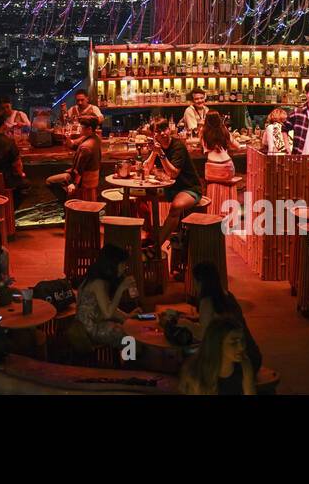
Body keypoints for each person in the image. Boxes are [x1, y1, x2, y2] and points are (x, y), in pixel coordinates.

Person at [191, 262, 262, 375]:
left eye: (194, 281)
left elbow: (204, 336)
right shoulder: (226, 295)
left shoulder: (207, 301)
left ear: (200, 282)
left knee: (191, 366)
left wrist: (186, 324)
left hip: (238, 362)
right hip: (252, 356)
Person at [147, 124, 204, 254]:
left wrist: (161, 154)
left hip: (189, 188)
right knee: (139, 197)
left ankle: (156, 247)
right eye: (158, 131)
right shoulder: (157, 147)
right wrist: (154, 152)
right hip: (169, 189)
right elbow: (147, 169)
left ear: (169, 130)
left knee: (176, 207)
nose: (163, 133)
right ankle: (151, 234)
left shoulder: (178, 147)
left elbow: (173, 174)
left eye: (165, 129)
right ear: (154, 135)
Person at [75, 244, 138, 350]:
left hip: (95, 321)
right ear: (112, 265)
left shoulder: (99, 278)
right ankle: (129, 363)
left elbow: (108, 306)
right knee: (131, 338)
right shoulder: (98, 283)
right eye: (122, 264)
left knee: (130, 329)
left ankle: (127, 361)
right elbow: (108, 313)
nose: (124, 268)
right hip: (88, 329)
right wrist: (121, 289)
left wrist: (128, 317)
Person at [179, 316, 257, 395]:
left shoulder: (244, 365)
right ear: (217, 344)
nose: (241, 347)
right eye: (234, 343)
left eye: (242, 340)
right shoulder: (196, 373)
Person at [47, 115, 102, 203]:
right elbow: (73, 145)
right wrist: (67, 137)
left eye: (82, 127)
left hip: (83, 180)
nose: (80, 129)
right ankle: (68, 201)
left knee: (50, 181)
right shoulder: (95, 137)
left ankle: (66, 202)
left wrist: (74, 184)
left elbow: (79, 169)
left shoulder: (86, 147)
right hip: (91, 177)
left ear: (89, 128)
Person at [199, 110, 242, 181]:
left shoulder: (203, 131)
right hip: (228, 165)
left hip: (213, 165)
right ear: (219, 119)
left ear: (206, 120)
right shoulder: (224, 129)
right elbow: (238, 146)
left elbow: (203, 145)